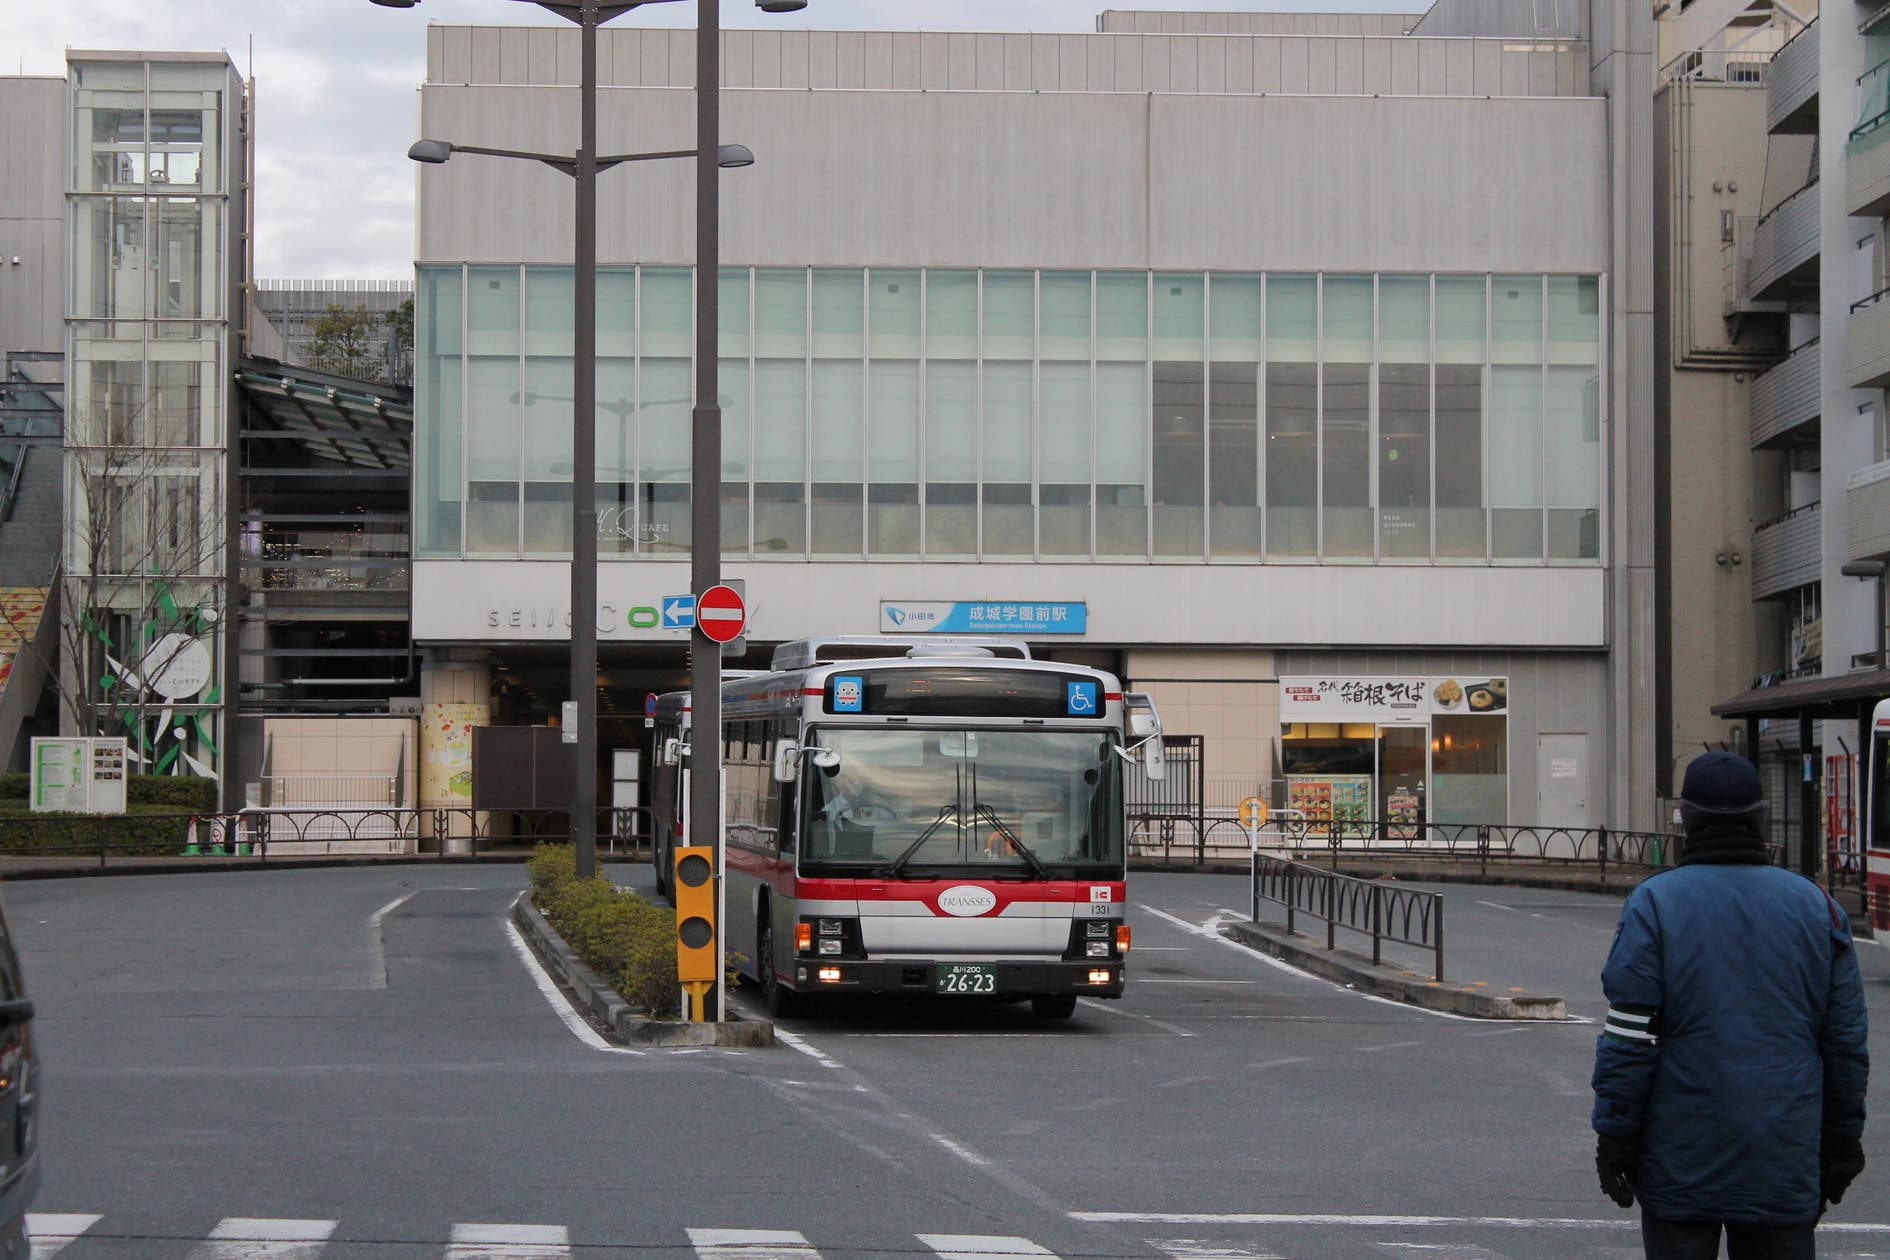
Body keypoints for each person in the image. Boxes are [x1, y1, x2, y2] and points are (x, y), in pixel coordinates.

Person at [1592, 752, 1869, 1260]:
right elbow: (1845, 1041)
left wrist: (1615, 1133)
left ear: (1687, 819)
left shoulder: (1654, 903)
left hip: (1679, 1152)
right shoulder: (1817, 906)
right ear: (1761, 818)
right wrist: (1842, 1139)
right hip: (1782, 1150)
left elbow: (1629, 1036)